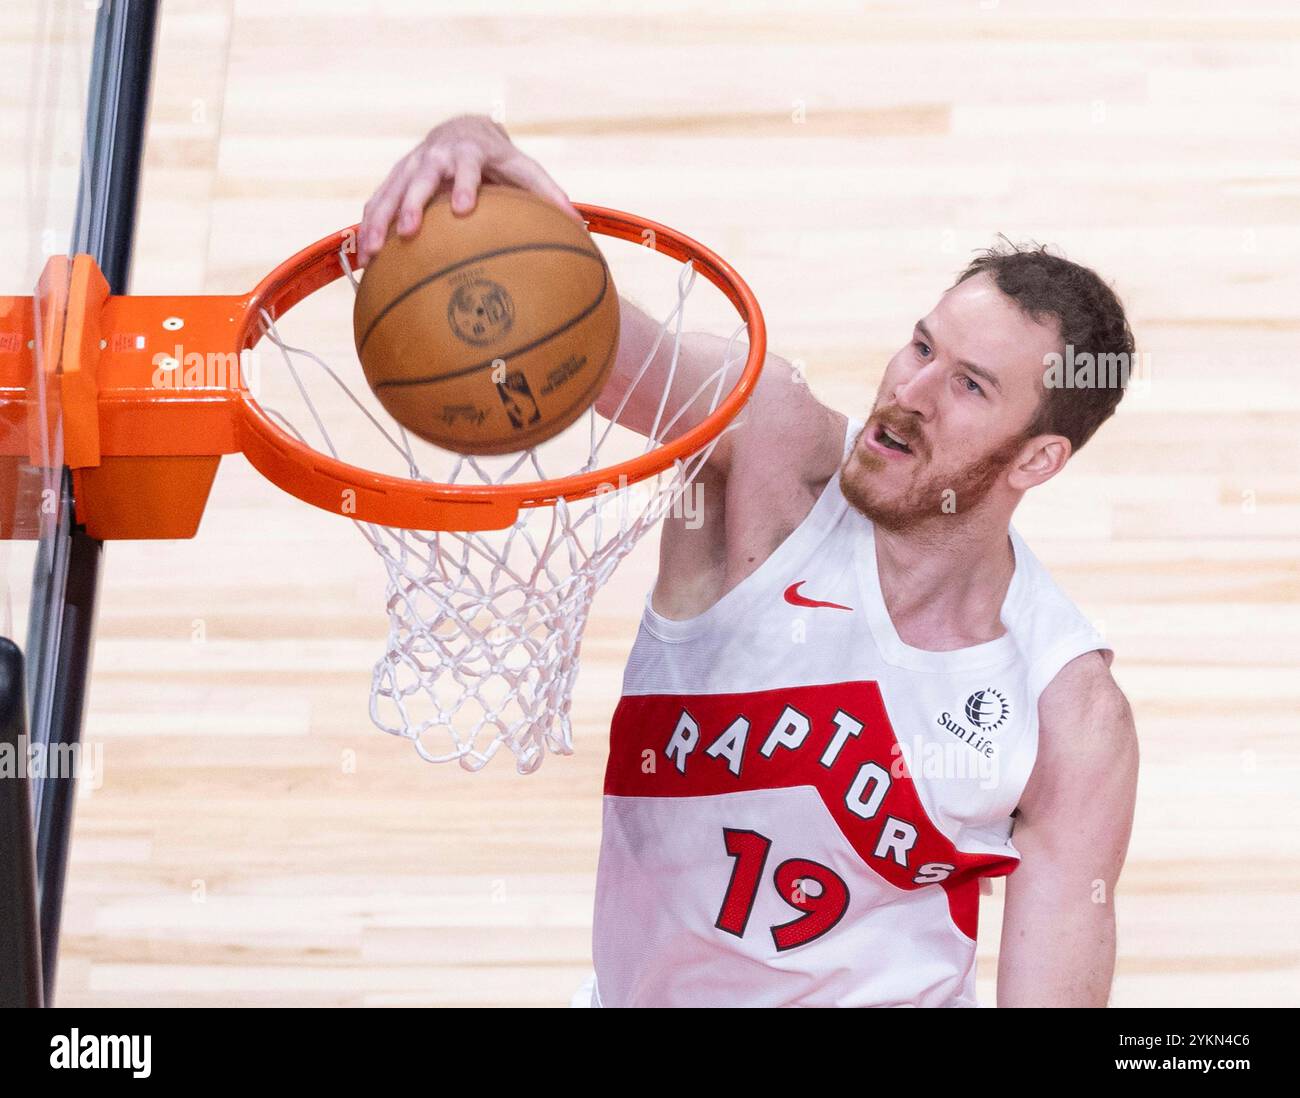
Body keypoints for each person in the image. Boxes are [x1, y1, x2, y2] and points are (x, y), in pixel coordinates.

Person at [358, 114, 1140, 1008]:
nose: (910, 391)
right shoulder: (767, 450)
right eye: (922, 345)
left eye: (969, 385)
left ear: (1037, 459)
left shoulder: (1070, 716)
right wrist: (488, 169)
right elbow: (581, 342)